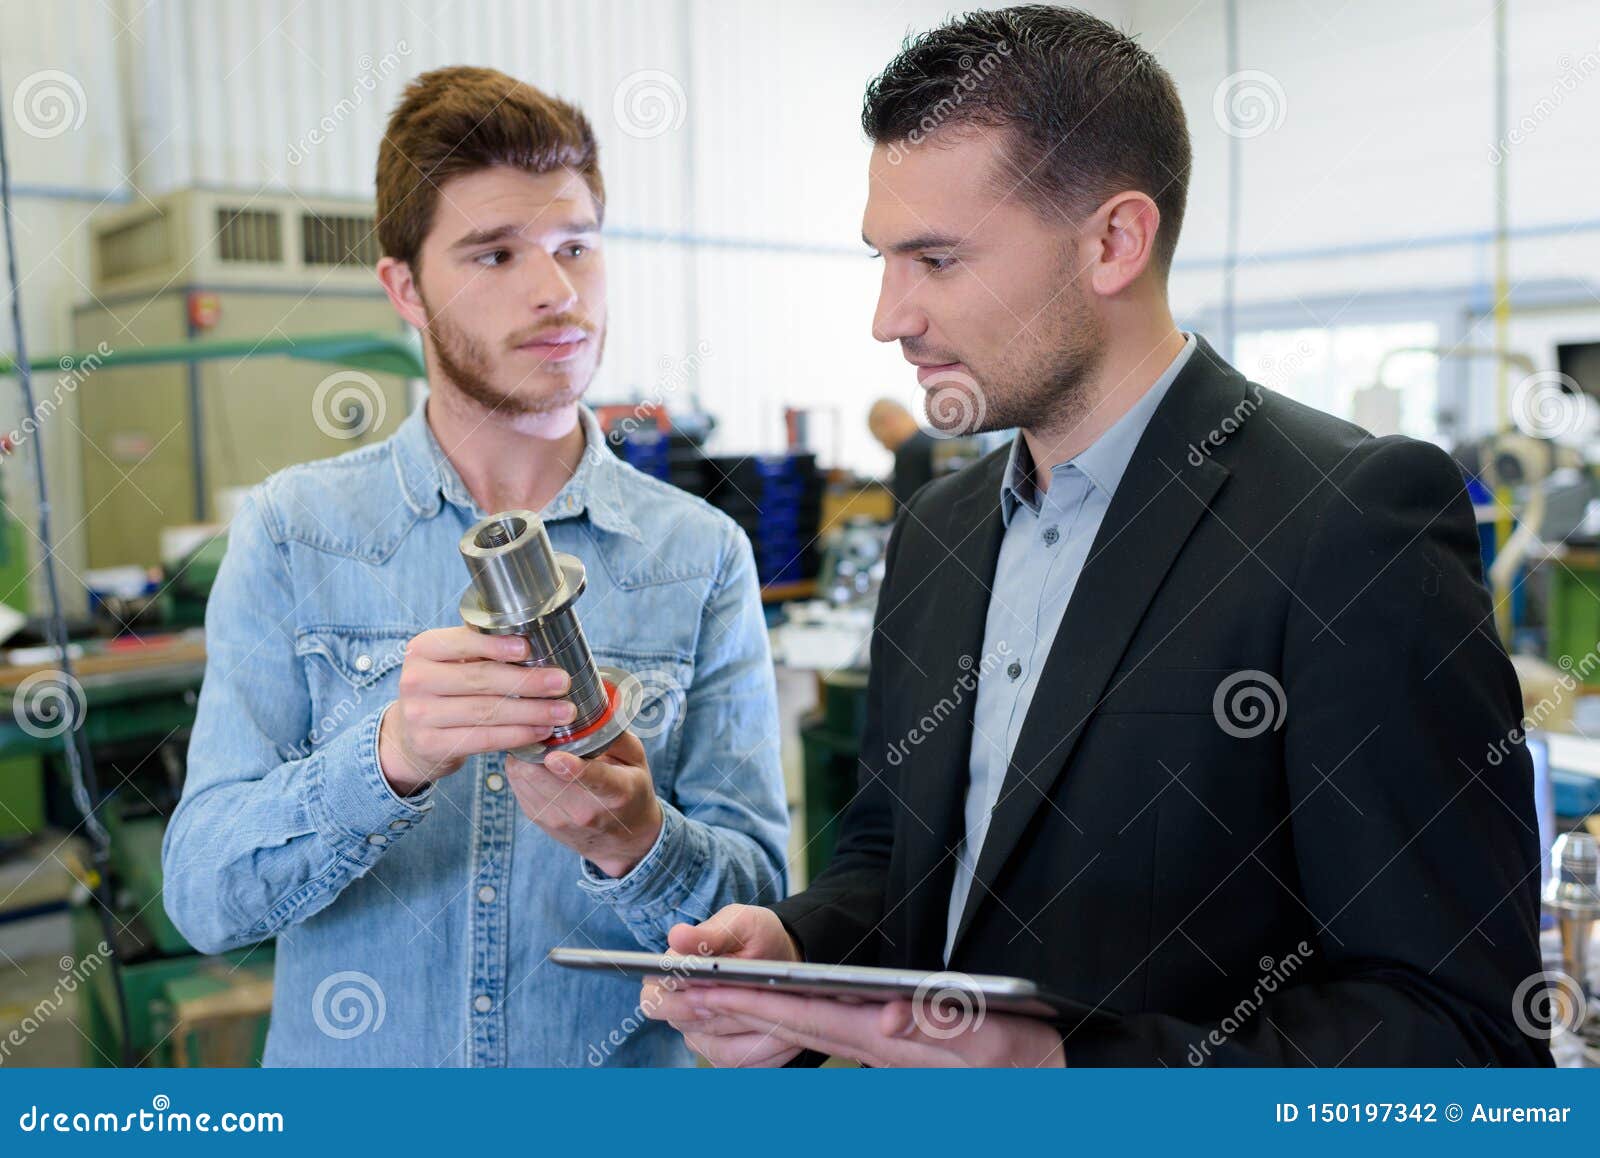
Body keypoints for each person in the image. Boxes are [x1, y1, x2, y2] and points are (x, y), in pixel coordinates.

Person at [647, 6, 1548, 1067]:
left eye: (936, 261)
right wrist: (801, 945)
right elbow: (901, 862)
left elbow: (1457, 1032)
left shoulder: (1344, 522)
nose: (888, 318)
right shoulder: (941, 530)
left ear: (1113, 242)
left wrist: (1070, 1069)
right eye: (884, 259)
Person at [163, 67, 788, 1067]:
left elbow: (765, 929)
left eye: (575, 247)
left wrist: (637, 845)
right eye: (494, 254)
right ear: (403, 286)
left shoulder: (698, 557)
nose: (554, 290)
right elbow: (203, 898)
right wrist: (389, 757)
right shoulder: (295, 531)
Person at [868, 398, 936, 507]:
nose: (885, 448)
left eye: (880, 439)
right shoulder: (938, 437)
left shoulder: (908, 452)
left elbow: (904, 515)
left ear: (889, 421)